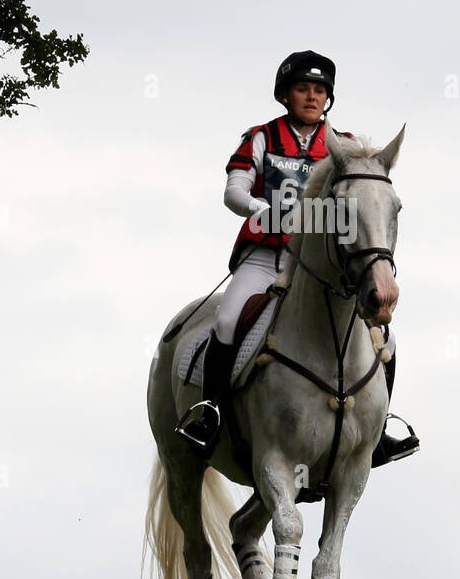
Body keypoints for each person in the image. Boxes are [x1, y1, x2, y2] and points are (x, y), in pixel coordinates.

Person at [174, 51, 419, 466]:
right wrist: (260, 210)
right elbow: (234, 191)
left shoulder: (346, 147)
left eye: (320, 90)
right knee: (229, 319)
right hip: (266, 255)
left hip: (320, 266)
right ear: (285, 95)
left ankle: (376, 435)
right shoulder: (262, 137)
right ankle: (210, 412)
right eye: (303, 89)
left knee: (387, 339)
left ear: (328, 98)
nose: (312, 97)